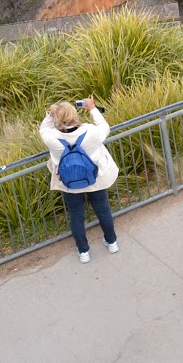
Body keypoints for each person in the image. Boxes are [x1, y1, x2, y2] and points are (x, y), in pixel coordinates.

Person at [40, 97, 120, 263]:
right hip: (95, 178)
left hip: (68, 183)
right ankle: (112, 242)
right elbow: (105, 127)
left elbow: (43, 128)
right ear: (74, 114)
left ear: (57, 118)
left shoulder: (51, 138)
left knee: (76, 216)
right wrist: (92, 108)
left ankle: (83, 252)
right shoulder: (90, 132)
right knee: (102, 209)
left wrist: (50, 114)